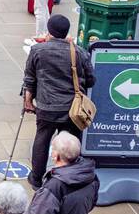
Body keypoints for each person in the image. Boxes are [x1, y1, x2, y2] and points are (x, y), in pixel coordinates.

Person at [22, 14, 94, 188]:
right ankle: (67, 176)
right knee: (69, 142)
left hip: (47, 107)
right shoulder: (78, 52)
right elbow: (91, 80)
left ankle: (37, 178)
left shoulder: (38, 50)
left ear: (49, 31)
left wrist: (28, 102)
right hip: (72, 109)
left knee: (42, 139)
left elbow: (29, 79)